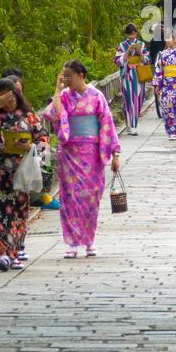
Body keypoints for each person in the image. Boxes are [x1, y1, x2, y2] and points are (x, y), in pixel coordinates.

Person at [43, 59, 121, 258]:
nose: (66, 79)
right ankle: (71, 242)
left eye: (69, 76)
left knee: (90, 198)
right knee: (70, 198)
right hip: (69, 153)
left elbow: (107, 124)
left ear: (81, 76)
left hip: (92, 153)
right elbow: (52, 114)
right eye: (64, 76)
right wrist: (57, 89)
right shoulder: (63, 96)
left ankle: (89, 240)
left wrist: (114, 154)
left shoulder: (97, 96)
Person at [0, 77, 49, 271]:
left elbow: (43, 140)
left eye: (11, 99)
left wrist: (30, 146)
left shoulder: (29, 116)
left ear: (17, 96)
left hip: (21, 172)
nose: (8, 104)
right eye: (4, 100)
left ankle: (12, 254)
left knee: (17, 213)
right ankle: (3, 252)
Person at [113, 23, 149, 135]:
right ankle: (131, 125)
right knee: (129, 99)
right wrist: (127, 52)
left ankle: (132, 123)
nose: (132, 37)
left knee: (138, 98)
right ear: (127, 35)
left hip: (139, 73)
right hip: (128, 74)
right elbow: (118, 61)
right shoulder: (122, 45)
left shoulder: (141, 45)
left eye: (134, 34)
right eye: (130, 35)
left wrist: (140, 53)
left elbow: (147, 59)